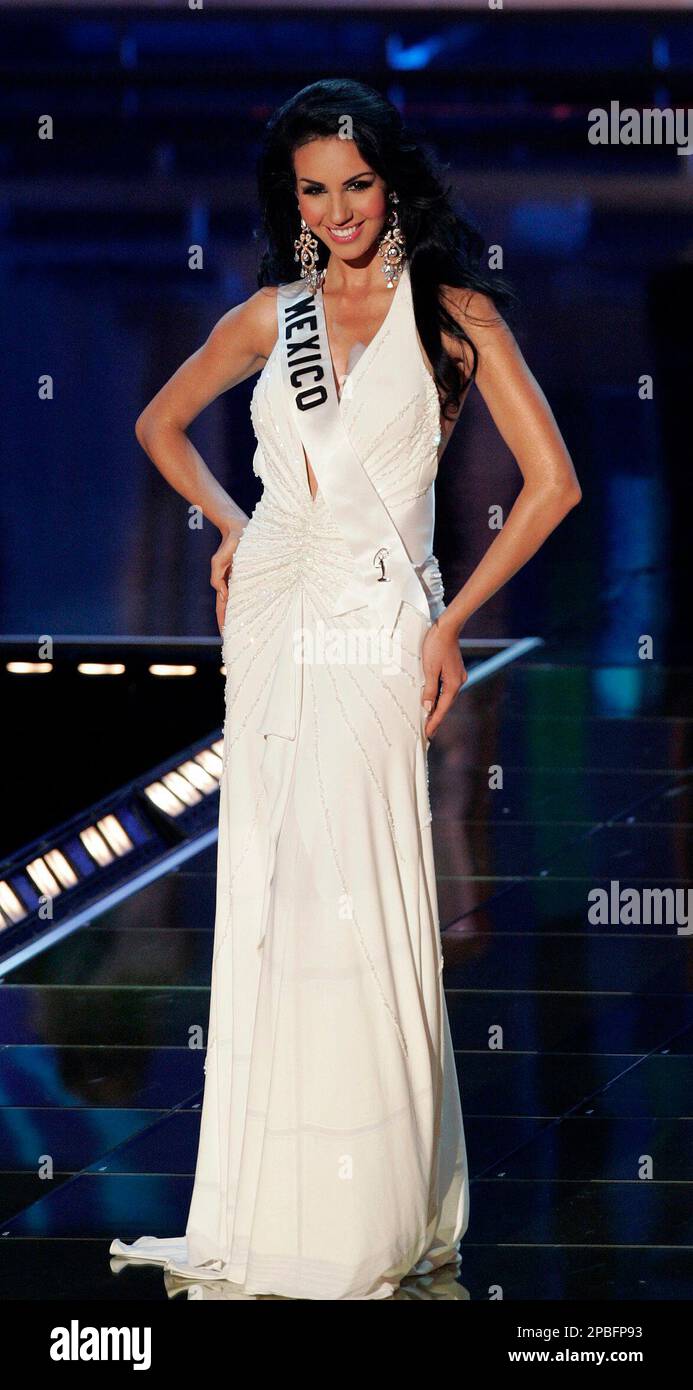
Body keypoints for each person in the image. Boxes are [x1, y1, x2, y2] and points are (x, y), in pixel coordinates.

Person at [110, 78, 581, 1300]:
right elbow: (162, 423)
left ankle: (369, 1206)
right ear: (294, 199)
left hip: (379, 624)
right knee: (276, 892)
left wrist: (453, 622)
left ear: (392, 183)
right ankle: (274, 1206)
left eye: (357, 184)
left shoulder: (455, 314)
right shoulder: (273, 317)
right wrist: (232, 525)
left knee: (365, 896)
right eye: (313, 190)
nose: (337, 211)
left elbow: (554, 485)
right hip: (275, 614)